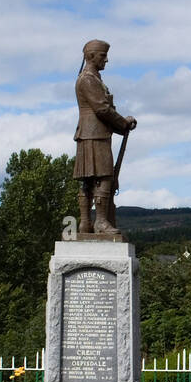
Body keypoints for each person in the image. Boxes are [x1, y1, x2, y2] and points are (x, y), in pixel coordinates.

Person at [74, 39, 136, 235]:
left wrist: (122, 126)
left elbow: (103, 110)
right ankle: (98, 222)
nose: (106, 60)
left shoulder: (93, 78)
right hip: (95, 135)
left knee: (91, 179)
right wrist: (123, 123)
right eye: (103, 55)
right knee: (103, 177)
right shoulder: (88, 79)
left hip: (91, 134)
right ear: (91, 56)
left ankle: (86, 223)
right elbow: (102, 108)